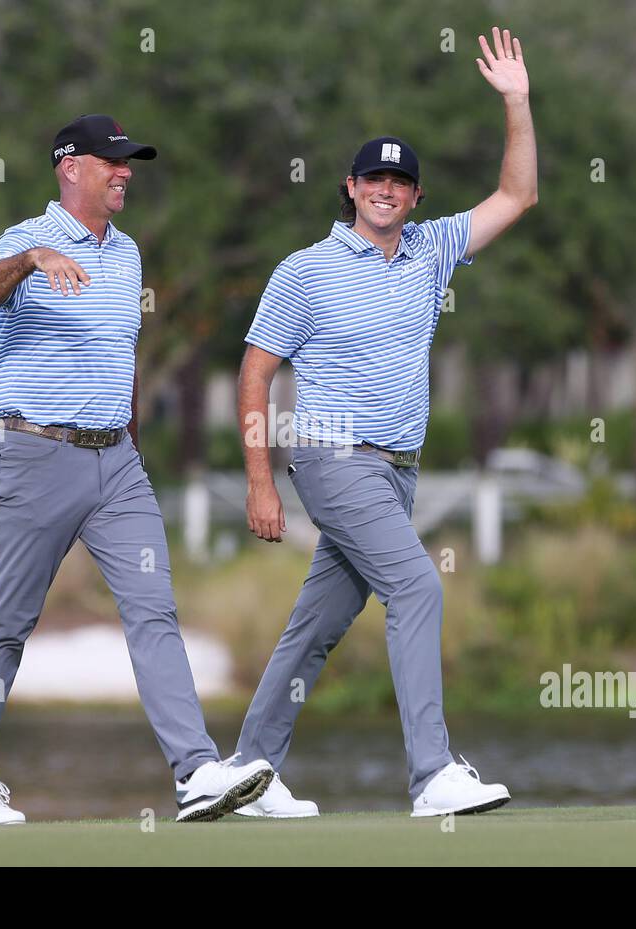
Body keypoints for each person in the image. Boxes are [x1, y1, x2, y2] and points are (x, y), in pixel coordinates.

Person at [234, 28, 538, 818]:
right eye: (373, 179)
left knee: (317, 628)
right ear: (350, 186)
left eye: (399, 184)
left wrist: (517, 102)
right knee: (416, 586)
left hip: (395, 472)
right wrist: (260, 482)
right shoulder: (305, 269)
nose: (386, 191)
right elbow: (256, 373)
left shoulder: (433, 252)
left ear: (415, 198)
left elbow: (518, 196)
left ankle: (248, 769)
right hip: (333, 459)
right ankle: (433, 773)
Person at [0, 113, 272, 825]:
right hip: (34, 455)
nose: (126, 172)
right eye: (112, 161)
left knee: (155, 611)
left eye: (130, 163)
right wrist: (30, 260)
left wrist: (121, 428)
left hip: (116, 464)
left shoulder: (127, 255)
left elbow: (117, 352)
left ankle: (195, 773)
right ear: (71, 167)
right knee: (8, 622)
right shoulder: (24, 241)